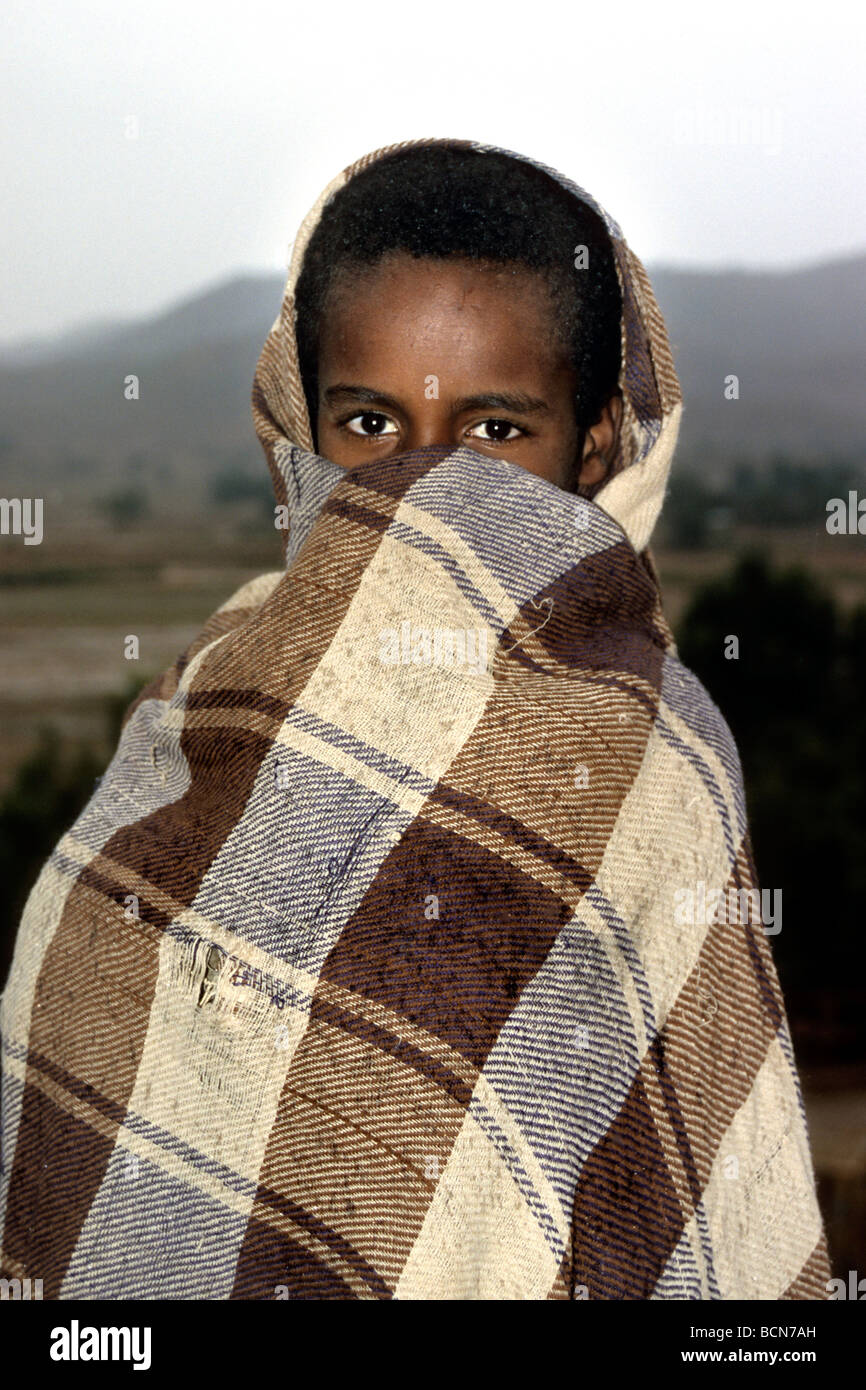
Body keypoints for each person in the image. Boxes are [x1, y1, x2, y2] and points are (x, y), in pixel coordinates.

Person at [0, 138, 830, 1300]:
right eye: (372, 427)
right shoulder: (205, 695)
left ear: (592, 444)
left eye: (494, 431)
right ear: (304, 428)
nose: (423, 486)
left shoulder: (647, 753)